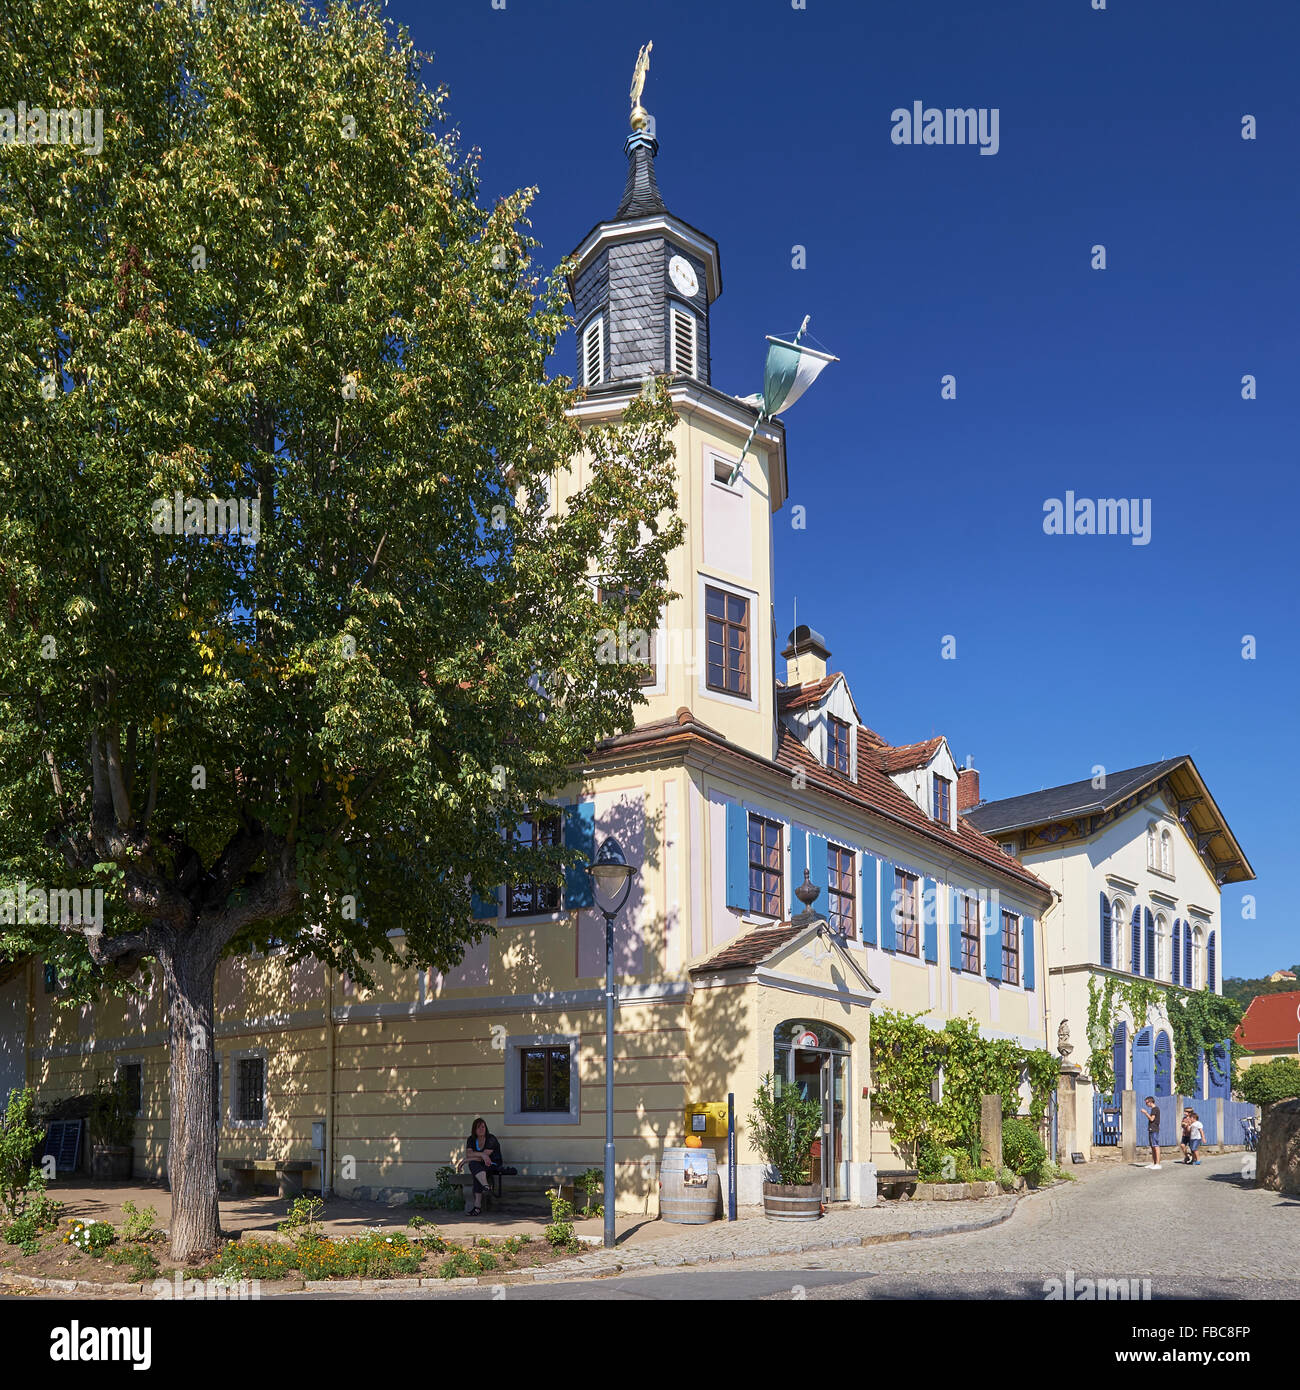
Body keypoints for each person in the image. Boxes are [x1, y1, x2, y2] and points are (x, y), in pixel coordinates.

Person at [464, 1117, 501, 1216]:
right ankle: (485, 1187)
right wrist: (482, 1155)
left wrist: (466, 1160)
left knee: (475, 1169)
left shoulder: (491, 1139)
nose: (481, 1129)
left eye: (483, 1127)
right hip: (480, 1167)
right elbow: (470, 1154)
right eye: (479, 1127)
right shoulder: (471, 1139)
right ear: (474, 1130)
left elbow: (483, 1159)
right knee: (476, 1170)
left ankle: (477, 1207)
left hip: (493, 1164)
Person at [1143, 1096, 1162, 1169]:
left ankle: (1158, 1163)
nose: (1146, 1104)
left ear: (1150, 1102)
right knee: (1152, 1146)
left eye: (1147, 1103)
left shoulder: (1155, 1109)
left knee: (1156, 1146)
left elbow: (1151, 1119)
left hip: (1154, 1129)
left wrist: (1145, 1113)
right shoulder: (1153, 1109)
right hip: (1151, 1129)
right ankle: (1154, 1162)